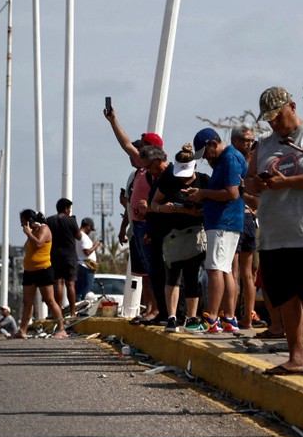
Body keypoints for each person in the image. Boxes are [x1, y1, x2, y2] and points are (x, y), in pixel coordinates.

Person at [249, 86, 303, 378]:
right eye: (270, 119)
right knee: (285, 297)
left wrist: (287, 182)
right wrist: (257, 184)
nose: (275, 123)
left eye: (278, 117)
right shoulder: (263, 144)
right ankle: (295, 356)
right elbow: (248, 181)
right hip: (275, 234)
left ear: (292, 107)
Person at [103, 106, 163, 322]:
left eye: (144, 145)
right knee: (145, 272)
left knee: (152, 270)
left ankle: (156, 309)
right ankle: (149, 308)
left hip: (148, 224)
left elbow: (128, 146)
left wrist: (113, 121)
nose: (138, 149)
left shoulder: (154, 169)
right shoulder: (140, 169)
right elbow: (126, 145)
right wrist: (113, 121)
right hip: (137, 225)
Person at [186, 128, 247, 333]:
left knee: (214, 269)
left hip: (224, 223)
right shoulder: (226, 159)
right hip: (225, 221)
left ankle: (212, 318)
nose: (205, 158)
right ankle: (229, 318)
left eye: (205, 153)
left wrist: (203, 193)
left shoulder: (229, 159)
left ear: (213, 144)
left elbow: (232, 193)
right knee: (225, 269)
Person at [146, 143, 210, 332]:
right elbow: (154, 203)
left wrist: (196, 211)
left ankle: (191, 318)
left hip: (194, 234)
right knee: (172, 276)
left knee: (192, 278)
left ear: (195, 168)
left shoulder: (204, 181)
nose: (183, 179)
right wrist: (163, 208)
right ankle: (172, 317)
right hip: (173, 234)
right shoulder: (169, 180)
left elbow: (213, 206)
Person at [230, 124, 264, 329]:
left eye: (252, 141)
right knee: (236, 272)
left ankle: (245, 316)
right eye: (246, 140)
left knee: (249, 273)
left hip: (250, 220)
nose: (250, 144)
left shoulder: (254, 166)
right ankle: (232, 315)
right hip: (241, 218)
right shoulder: (235, 160)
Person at [16, 209, 67, 339]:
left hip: (43, 270)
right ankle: (22, 330)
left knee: (50, 300)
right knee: (27, 302)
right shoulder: (32, 232)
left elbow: (39, 243)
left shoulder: (44, 229)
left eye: (23, 222)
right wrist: (29, 234)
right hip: (29, 271)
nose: (22, 225)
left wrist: (28, 233)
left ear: (30, 220)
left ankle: (61, 329)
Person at [45, 198, 82, 315]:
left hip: (54, 255)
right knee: (70, 283)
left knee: (58, 283)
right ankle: (72, 311)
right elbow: (79, 236)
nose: (70, 211)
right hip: (69, 255)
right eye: (69, 208)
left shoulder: (49, 220)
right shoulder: (71, 220)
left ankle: (58, 311)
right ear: (66, 209)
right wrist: (74, 223)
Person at [75, 217, 101, 301]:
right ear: (88, 226)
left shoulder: (78, 235)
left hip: (81, 265)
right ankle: (83, 312)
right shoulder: (83, 236)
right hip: (86, 266)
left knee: (78, 292)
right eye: (91, 229)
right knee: (86, 292)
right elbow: (87, 252)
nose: (90, 231)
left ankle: (77, 311)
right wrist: (96, 245)